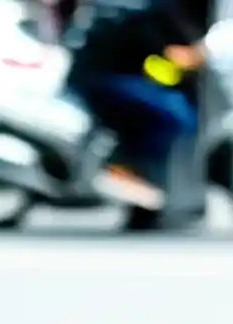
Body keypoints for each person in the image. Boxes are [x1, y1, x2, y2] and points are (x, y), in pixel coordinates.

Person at [66, 0, 212, 209]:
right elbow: (167, 48)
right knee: (177, 116)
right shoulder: (145, 7)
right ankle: (129, 168)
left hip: (97, 74)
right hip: (106, 78)